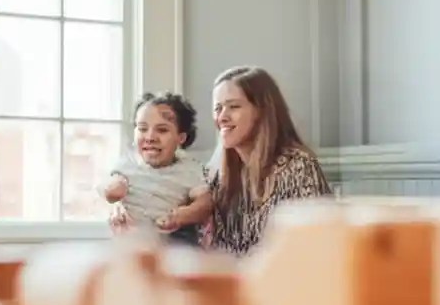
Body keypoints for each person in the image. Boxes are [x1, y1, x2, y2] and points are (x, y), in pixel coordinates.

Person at [204, 66, 332, 256]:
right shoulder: (218, 176)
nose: (222, 117)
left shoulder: (298, 167)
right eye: (218, 108)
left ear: (261, 111)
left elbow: (315, 247)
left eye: (234, 106)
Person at [101, 91, 213, 246]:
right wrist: (113, 190)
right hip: (128, 243)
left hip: (168, 246)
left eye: (162, 130)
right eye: (142, 129)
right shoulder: (128, 163)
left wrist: (183, 215)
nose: (150, 137)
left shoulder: (190, 169)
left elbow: (205, 202)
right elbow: (107, 186)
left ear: (181, 138)